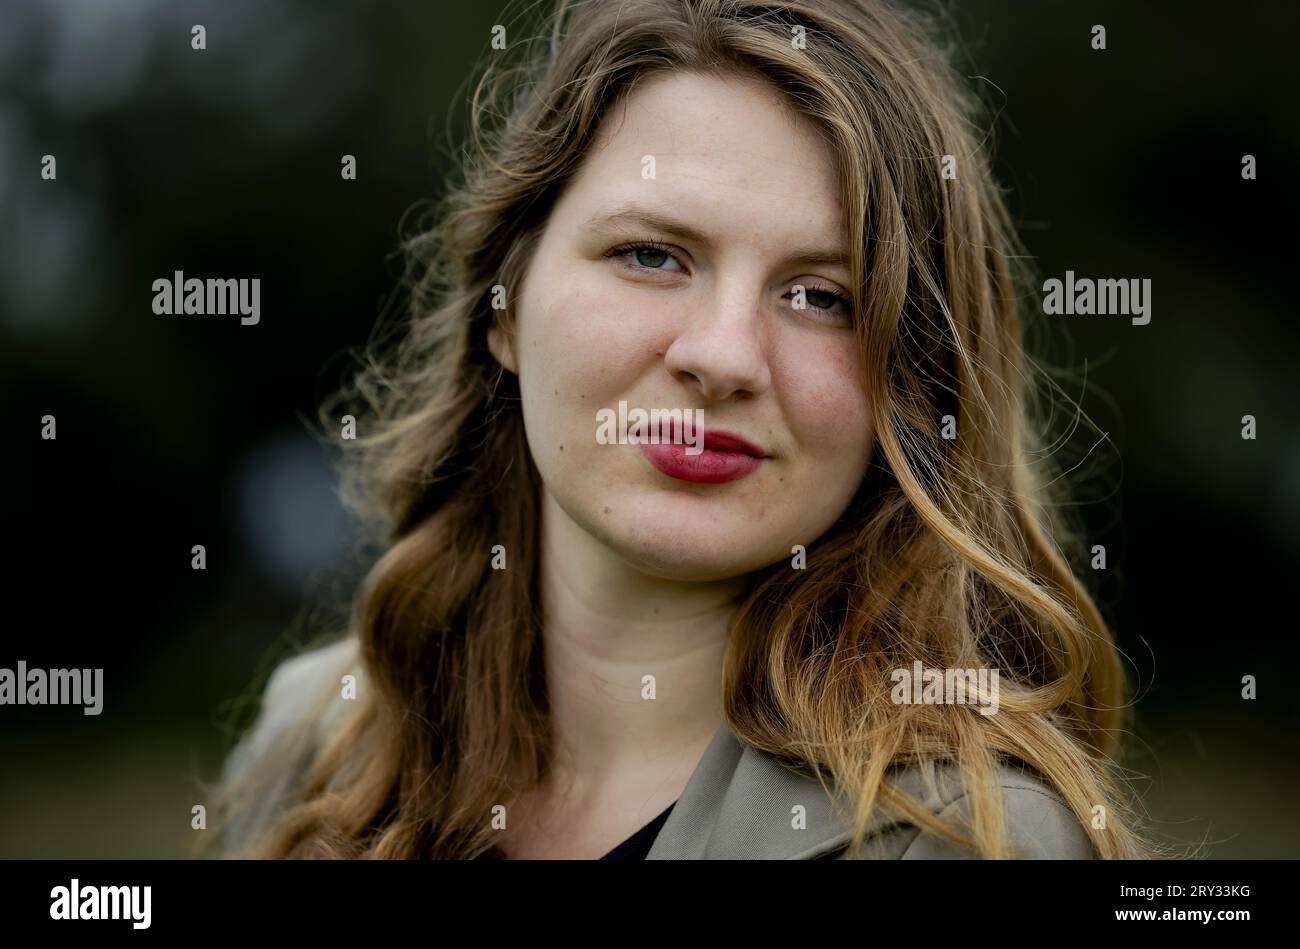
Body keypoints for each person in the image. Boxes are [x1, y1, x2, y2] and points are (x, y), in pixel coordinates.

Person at [206, 0, 1157, 860]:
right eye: (652, 254)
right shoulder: (314, 743)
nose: (725, 355)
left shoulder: (967, 839)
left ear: (910, 383)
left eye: (822, 296)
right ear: (505, 306)